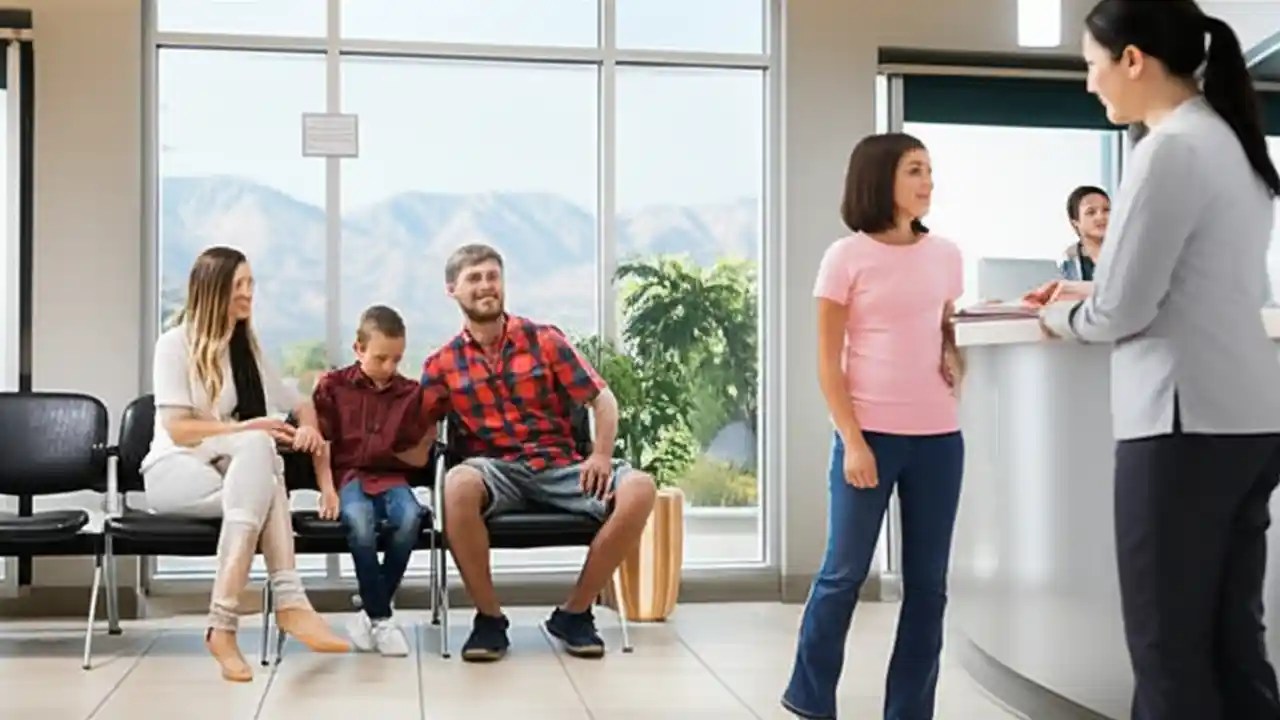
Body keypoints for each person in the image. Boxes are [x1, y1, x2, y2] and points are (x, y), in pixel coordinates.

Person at [1026, 2, 1280, 718]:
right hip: (1249, 420)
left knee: (1168, 651)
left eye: (1092, 66)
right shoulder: (1231, 142)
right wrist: (1090, 287)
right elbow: (1197, 279)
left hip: (1179, 425)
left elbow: (1123, 311)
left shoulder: (1165, 150)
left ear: (1132, 59)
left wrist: (1059, 315)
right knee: (1234, 646)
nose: (1089, 84)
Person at [781, 133, 965, 720]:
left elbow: (944, 332)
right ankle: (810, 700)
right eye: (916, 170)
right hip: (869, 437)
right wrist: (853, 441)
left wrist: (953, 351)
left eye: (931, 170)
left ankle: (910, 712)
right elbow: (827, 362)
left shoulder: (947, 255)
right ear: (880, 177)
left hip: (940, 439)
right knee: (843, 575)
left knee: (928, 588)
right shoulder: (846, 257)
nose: (928, 182)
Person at [419, 243, 657, 663]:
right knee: (456, 483)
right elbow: (418, 432)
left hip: (561, 466)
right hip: (497, 472)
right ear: (452, 290)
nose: (486, 285)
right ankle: (489, 620)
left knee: (640, 488)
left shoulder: (544, 340)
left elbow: (603, 400)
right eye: (474, 278)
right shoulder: (442, 365)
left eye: (493, 276)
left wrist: (600, 456)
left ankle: (575, 613)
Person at [142, 246, 349, 682]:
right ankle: (288, 603)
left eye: (251, 284)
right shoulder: (173, 344)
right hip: (173, 473)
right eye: (240, 285)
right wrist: (244, 428)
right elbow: (178, 428)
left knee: (260, 458)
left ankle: (226, 623)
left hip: (222, 477)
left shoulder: (244, 349)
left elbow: (300, 402)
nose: (249, 293)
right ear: (212, 290)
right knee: (261, 460)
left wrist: (308, 427)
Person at [312, 305, 432, 658]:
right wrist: (327, 490)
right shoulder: (332, 387)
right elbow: (322, 443)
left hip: (391, 476)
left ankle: (369, 613)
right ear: (358, 349)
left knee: (411, 517)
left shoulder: (409, 393)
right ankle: (381, 617)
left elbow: (422, 445)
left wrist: (427, 434)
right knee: (359, 522)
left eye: (397, 359)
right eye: (381, 358)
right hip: (349, 476)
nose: (390, 368)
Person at [1061, 185, 1111, 281]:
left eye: (1106, 210)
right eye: (1091, 212)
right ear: (1075, 222)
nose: (1101, 217)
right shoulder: (1066, 262)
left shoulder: (1128, 254)